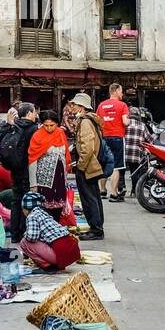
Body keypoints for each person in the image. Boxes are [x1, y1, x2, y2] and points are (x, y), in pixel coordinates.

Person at [69, 92, 108, 241]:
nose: (72, 107)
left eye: (74, 105)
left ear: (81, 107)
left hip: (87, 166)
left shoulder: (85, 122)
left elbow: (88, 147)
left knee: (89, 198)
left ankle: (96, 229)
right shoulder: (89, 120)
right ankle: (97, 227)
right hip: (91, 164)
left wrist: (80, 165)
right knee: (94, 196)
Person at [0, 103, 40, 242]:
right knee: (29, 201)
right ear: (29, 113)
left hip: (15, 170)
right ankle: (25, 233)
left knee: (16, 201)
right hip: (29, 170)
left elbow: (0, 140)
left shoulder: (13, 127)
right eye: (34, 112)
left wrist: (8, 125)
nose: (36, 115)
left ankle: (15, 235)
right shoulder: (34, 129)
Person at [17, 190, 81, 272]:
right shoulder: (43, 213)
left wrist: (24, 235)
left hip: (61, 253)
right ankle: (55, 264)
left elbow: (31, 238)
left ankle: (48, 266)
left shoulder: (32, 216)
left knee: (24, 242)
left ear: (25, 209)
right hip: (72, 252)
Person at [28, 110, 71, 224]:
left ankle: (56, 229)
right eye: (46, 125)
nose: (49, 128)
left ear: (57, 124)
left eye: (52, 125)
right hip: (45, 180)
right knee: (45, 207)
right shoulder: (37, 136)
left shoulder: (61, 133)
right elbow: (32, 160)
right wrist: (33, 184)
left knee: (58, 206)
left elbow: (65, 152)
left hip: (60, 178)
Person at [97, 84, 131, 204]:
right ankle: (114, 193)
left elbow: (98, 123)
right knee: (116, 166)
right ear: (116, 91)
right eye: (121, 91)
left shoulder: (101, 105)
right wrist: (130, 120)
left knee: (104, 163)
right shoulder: (122, 105)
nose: (122, 94)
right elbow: (125, 122)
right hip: (117, 137)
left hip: (104, 137)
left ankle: (102, 190)